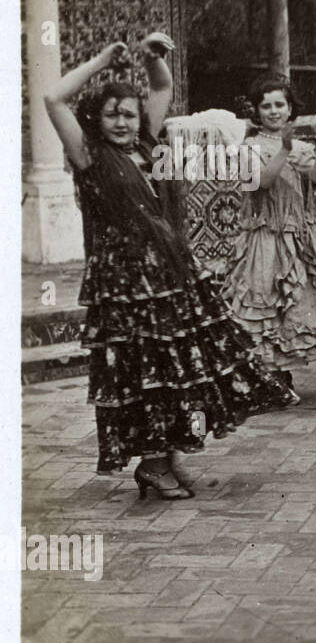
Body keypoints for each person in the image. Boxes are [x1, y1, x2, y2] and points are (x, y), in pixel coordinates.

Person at [43, 33, 297, 497]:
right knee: (149, 370)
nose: (122, 122)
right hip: (127, 284)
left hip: (169, 270)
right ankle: (153, 466)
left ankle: (169, 460)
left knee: (181, 365)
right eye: (111, 114)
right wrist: (103, 60)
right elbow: (52, 96)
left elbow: (160, 90)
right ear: (95, 121)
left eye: (129, 114)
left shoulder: (143, 145)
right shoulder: (88, 155)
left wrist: (152, 58)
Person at [223, 75, 316, 388]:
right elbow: (262, 183)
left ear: (290, 108)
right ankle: (261, 375)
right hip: (264, 235)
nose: (273, 111)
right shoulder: (248, 147)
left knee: (291, 304)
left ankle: (280, 373)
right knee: (264, 301)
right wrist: (283, 150)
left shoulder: (301, 147)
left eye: (279, 104)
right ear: (256, 110)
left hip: (294, 237)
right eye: (265, 105)